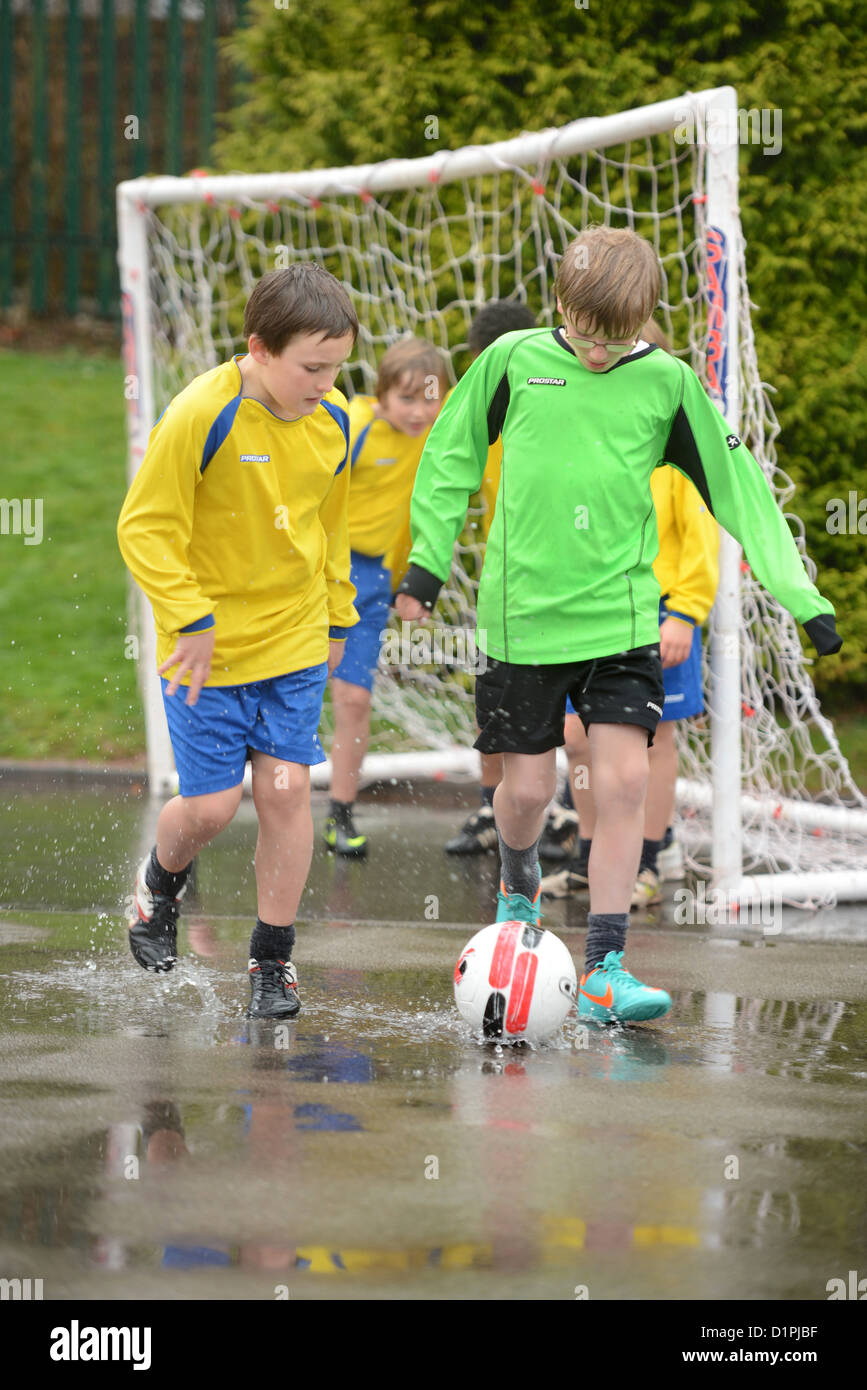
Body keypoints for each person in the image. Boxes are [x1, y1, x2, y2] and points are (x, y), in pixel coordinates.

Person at [395, 225, 841, 1025]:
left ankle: (605, 967)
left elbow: (736, 485)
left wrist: (800, 596)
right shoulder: (512, 362)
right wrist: (426, 566)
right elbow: (449, 455)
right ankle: (517, 886)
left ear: (644, 320)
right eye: (584, 333)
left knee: (625, 780)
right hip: (521, 621)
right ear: (558, 302)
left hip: (622, 619)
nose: (598, 352)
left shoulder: (666, 384)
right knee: (526, 790)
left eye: (618, 338)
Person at [117, 264, 359, 1020]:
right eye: (310, 367)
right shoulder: (201, 413)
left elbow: (332, 528)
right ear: (257, 349)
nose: (325, 382)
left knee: (287, 789)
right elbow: (144, 525)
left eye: (336, 367)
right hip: (206, 647)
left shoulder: (338, 421)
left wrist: (337, 618)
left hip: (291, 639)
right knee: (213, 808)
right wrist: (188, 615)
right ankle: (159, 887)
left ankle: (271, 961)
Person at [541, 319, 719, 906]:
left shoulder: (674, 441)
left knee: (654, 738)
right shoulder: (577, 433)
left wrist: (686, 612)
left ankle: (648, 855)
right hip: (588, 608)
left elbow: (700, 535)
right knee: (577, 735)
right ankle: (594, 856)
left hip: (659, 609)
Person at [439, 301, 579, 861]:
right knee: (493, 701)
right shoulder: (476, 404)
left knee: (568, 705)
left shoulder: (556, 400)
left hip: (565, 578)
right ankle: (489, 803)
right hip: (505, 580)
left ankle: (561, 807)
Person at [324, 337, 449, 855]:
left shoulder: (438, 436)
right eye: (406, 399)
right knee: (276, 696)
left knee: (355, 697)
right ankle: (201, 809)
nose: (419, 411)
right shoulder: (353, 427)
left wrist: (411, 583)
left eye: (430, 398)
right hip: (319, 573)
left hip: (374, 582)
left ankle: (339, 815)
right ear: (380, 397)